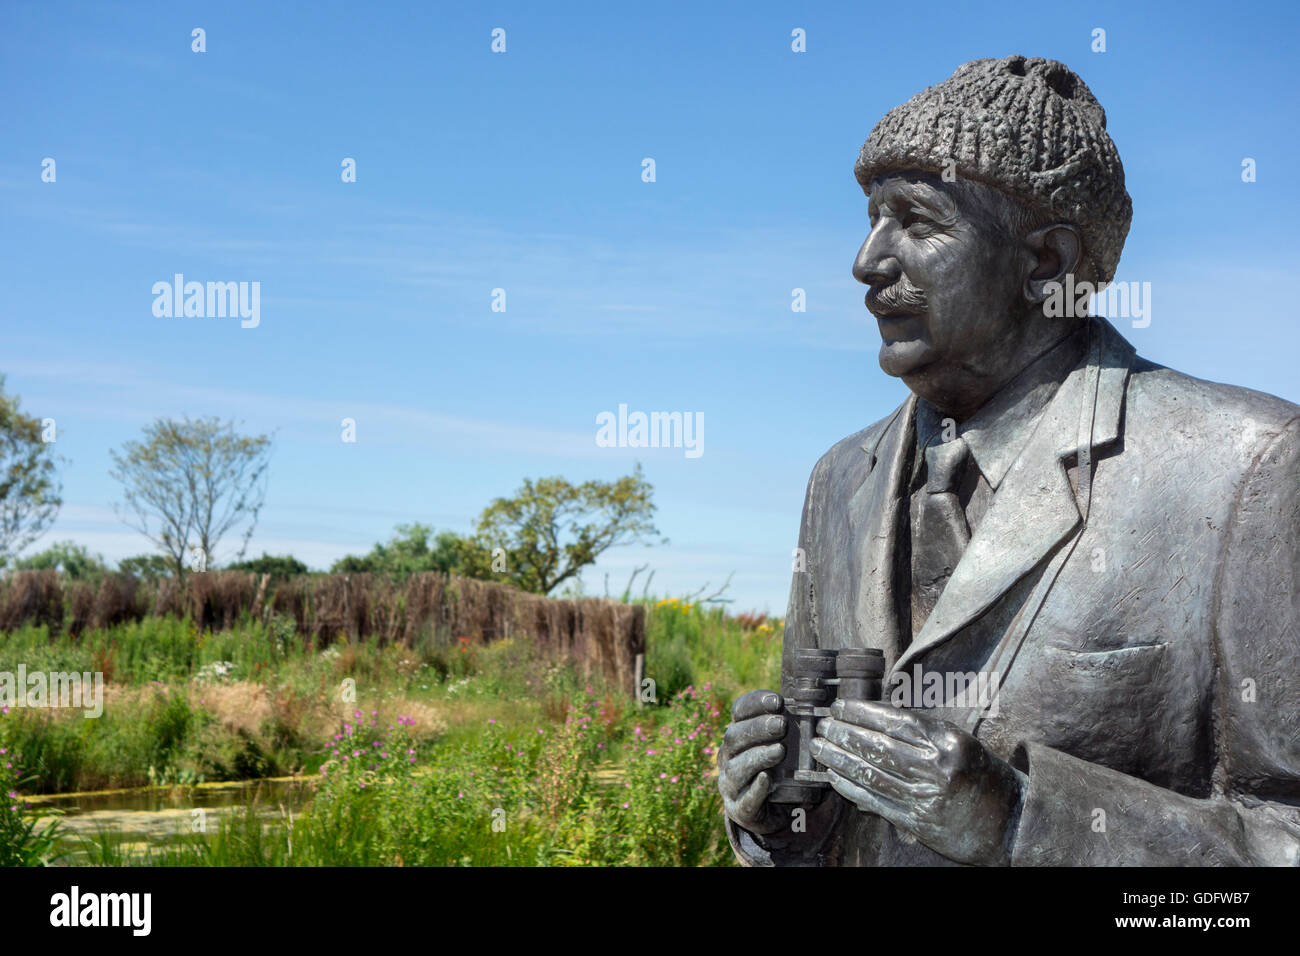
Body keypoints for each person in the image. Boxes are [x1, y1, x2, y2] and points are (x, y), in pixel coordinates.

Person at [718, 55, 1300, 866]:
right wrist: (775, 820)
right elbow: (828, 828)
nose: (867, 261)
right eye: (871, 218)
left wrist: (1018, 819)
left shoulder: (1247, 468)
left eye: (916, 222)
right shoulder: (839, 481)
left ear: (1047, 263)